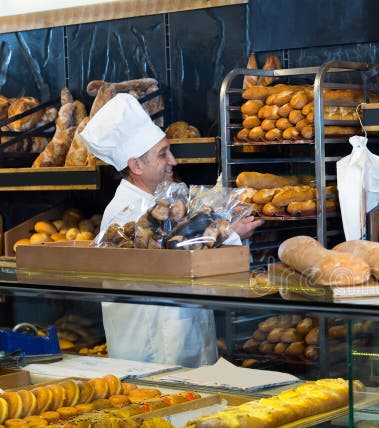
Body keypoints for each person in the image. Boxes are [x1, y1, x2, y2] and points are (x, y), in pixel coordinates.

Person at [80, 93, 262, 366]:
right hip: (152, 353)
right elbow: (171, 264)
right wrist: (229, 233)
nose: (173, 161)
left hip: (182, 340)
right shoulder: (125, 215)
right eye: (163, 154)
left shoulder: (165, 201)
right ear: (136, 165)